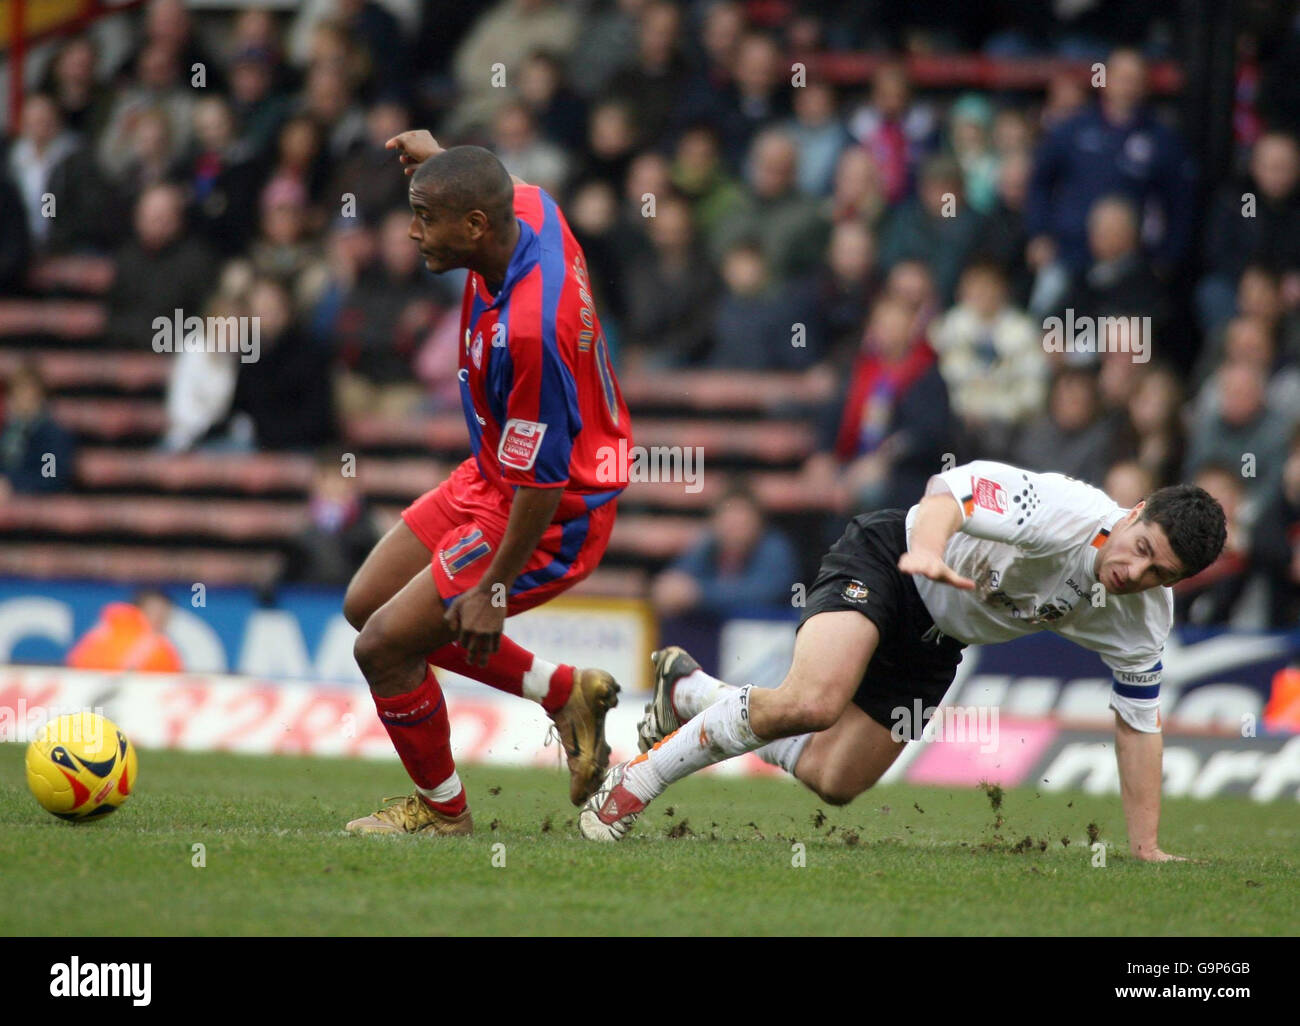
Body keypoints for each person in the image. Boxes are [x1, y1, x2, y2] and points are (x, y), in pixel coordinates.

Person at [580, 459, 1226, 864]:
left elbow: (1139, 724)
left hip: (940, 636)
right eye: (1139, 547)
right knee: (813, 701)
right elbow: (949, 491)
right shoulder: (1064, 511)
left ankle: (690, 693)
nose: (1132, 572)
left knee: (835, 781)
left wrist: (1145, 848)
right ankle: (637, 782)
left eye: (1157, 572)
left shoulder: (1143, 618)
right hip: (891, 560)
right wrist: (926, 549)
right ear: (1134, 512)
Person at [341, 132, 632, 838]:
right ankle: (564, 693)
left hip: (549, 509)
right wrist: (441, 161)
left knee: (382, 647)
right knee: (366, 603)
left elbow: (544, 480)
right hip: (494, 474)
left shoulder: (531, 329)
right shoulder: (525, 209)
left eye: (424, 215)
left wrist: (493, 591)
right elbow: (497, 187)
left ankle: (446, 818)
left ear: (474, 226)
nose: (412, 231)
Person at [67, 589, 182, 673]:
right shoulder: (157, 644)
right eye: (156, 612)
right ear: (139, 609)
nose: (161, 618)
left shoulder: (101, 631)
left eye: (165, 614)